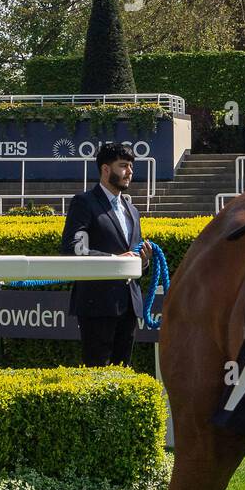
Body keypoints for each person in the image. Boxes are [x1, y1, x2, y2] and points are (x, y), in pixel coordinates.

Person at [61, 141, 152, 367]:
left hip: (130, 305)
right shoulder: (84, 202)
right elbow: (73, 248)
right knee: (95, 374)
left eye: (131, 166)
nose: (129, 172)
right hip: (97, 304)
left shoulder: (133, 210)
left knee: (123, 373)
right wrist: (114, 261)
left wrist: (143, 261)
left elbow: (133, 256)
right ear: (105, 169)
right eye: (123, 166)